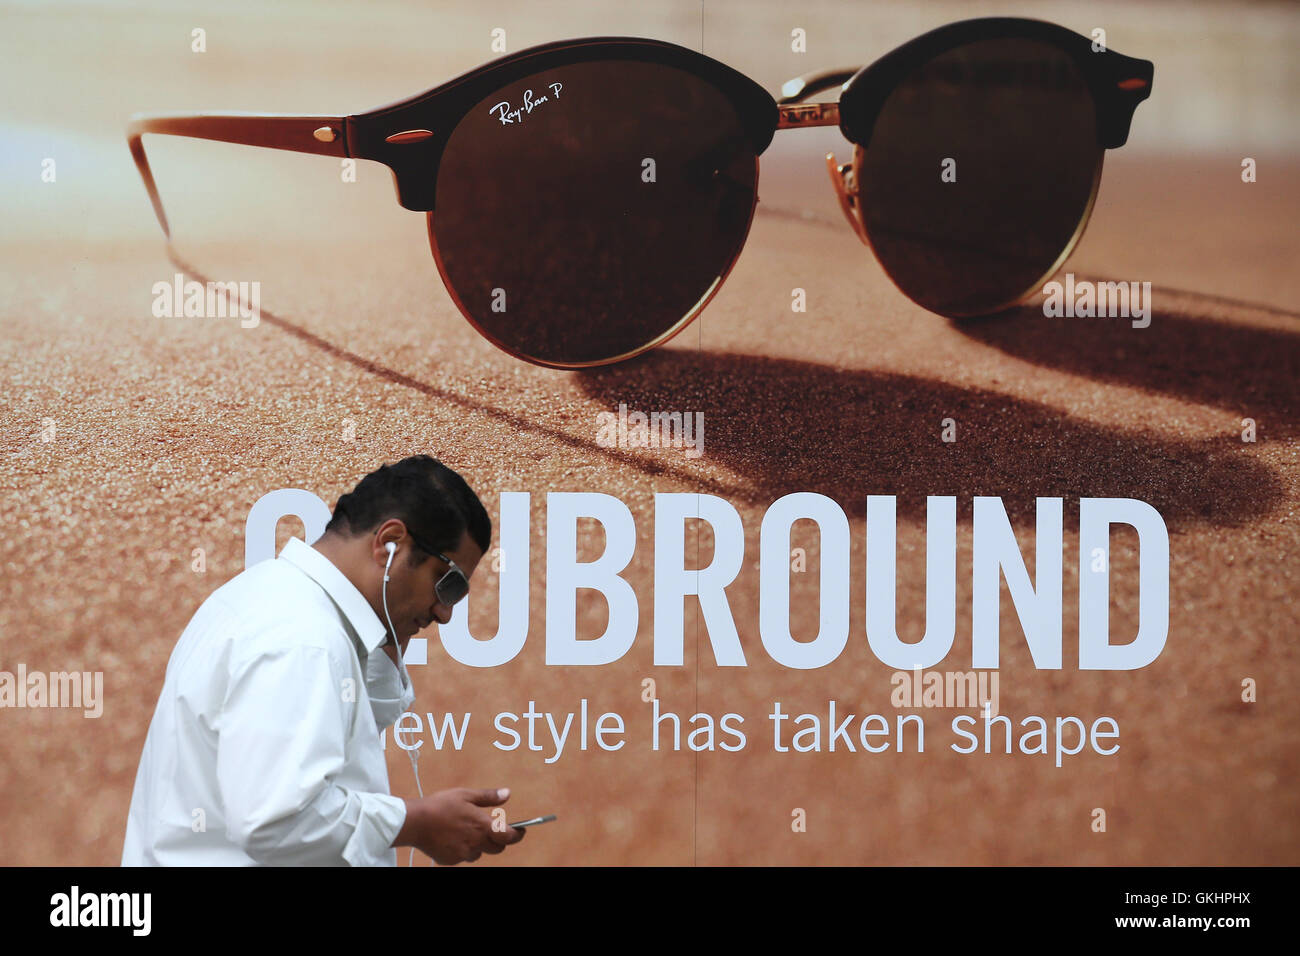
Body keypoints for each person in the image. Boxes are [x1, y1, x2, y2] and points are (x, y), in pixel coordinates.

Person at [121, 455, 525, 866]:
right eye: (449, 583)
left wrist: (386, 637)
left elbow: (334, 755)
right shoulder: (303, 637)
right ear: (390, 544)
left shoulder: (277, 602)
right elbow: (273, 819)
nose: (445, 612)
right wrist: (416, 821)